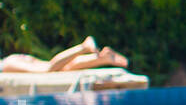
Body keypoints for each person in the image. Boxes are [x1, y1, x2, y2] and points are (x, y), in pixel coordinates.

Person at [1, 36, 130, 74]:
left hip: (6, 65)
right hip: (10, 62)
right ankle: (103, 58)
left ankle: (84, 47)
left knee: (48, 70)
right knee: (64, 68)